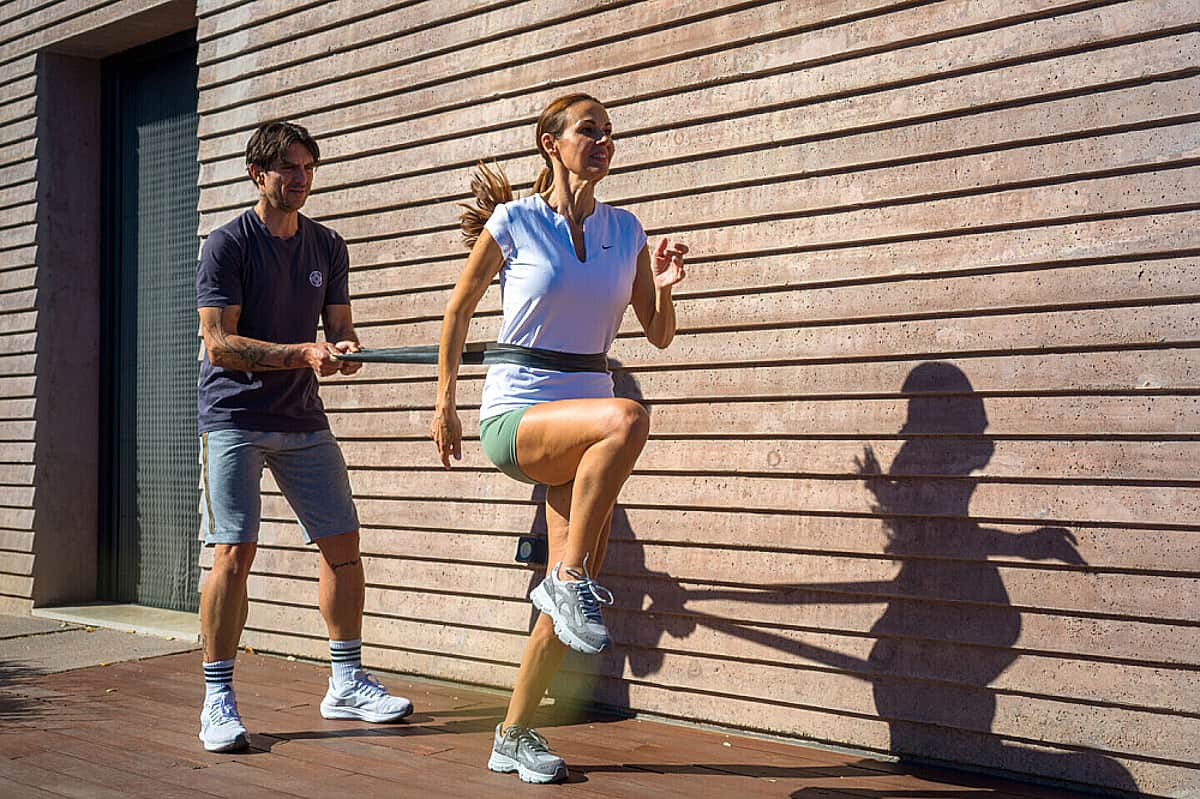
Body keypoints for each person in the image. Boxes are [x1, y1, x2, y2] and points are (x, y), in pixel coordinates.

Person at [430, 93, 688, 783]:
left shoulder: (626, 231)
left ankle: (513, 734)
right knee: (629, 418)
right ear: (551, 143)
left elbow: (659, 334)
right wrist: (445, 402)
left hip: (586, 428)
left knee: (563, 602)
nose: (603, 141)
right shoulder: (515, 221)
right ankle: (568, 579)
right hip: (518, 414)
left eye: (610, 133)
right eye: (588, 130)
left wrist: (664, 286)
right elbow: (457, 312)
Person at [195, 120, 412, 753]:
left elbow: (339, 329)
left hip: (302, 418)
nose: (301, 178)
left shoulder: (327, 246)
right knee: (234, 553)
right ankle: (217, 698)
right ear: (257, 174)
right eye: (288, 167)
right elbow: (218, 344)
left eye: (308, 167)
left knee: (343, 544)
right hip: (234, 417)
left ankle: (346, 682)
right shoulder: (228, 244)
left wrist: (345, 351)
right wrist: (301, 353)